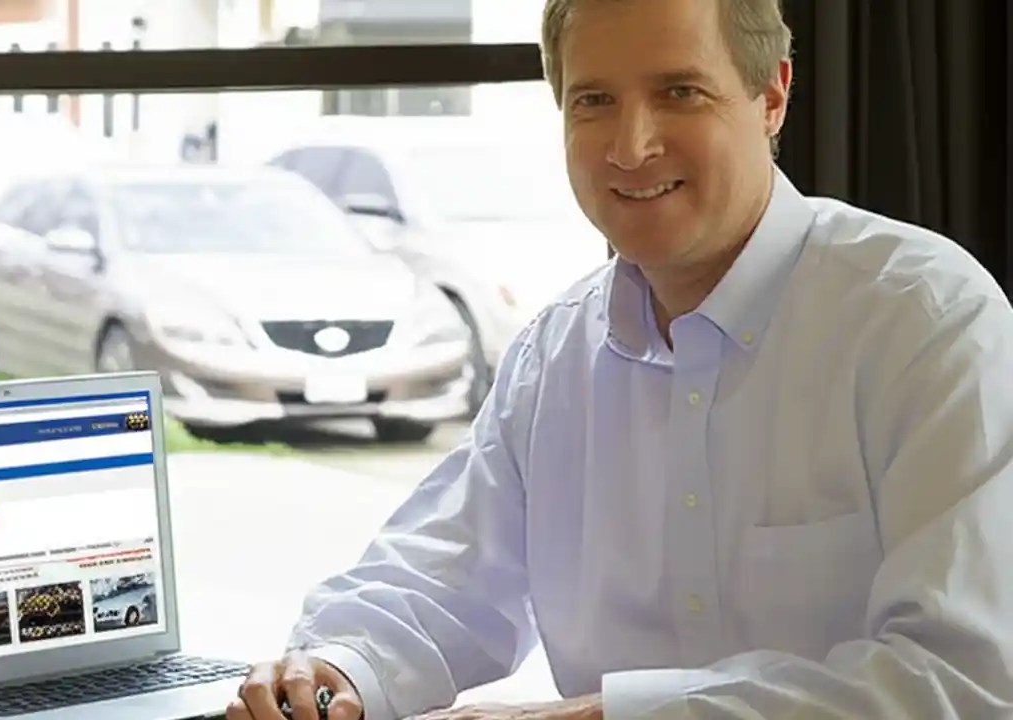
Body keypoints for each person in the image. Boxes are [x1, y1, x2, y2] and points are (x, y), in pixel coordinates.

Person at [227, 0, 1013, 718]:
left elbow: (968, 681)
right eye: (594, 101)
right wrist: (340, 669)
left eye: (680, 92)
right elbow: (440, 577)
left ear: (772, 96)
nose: (632, 147)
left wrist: (608, 716)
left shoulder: (926, 321)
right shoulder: (554, 354)